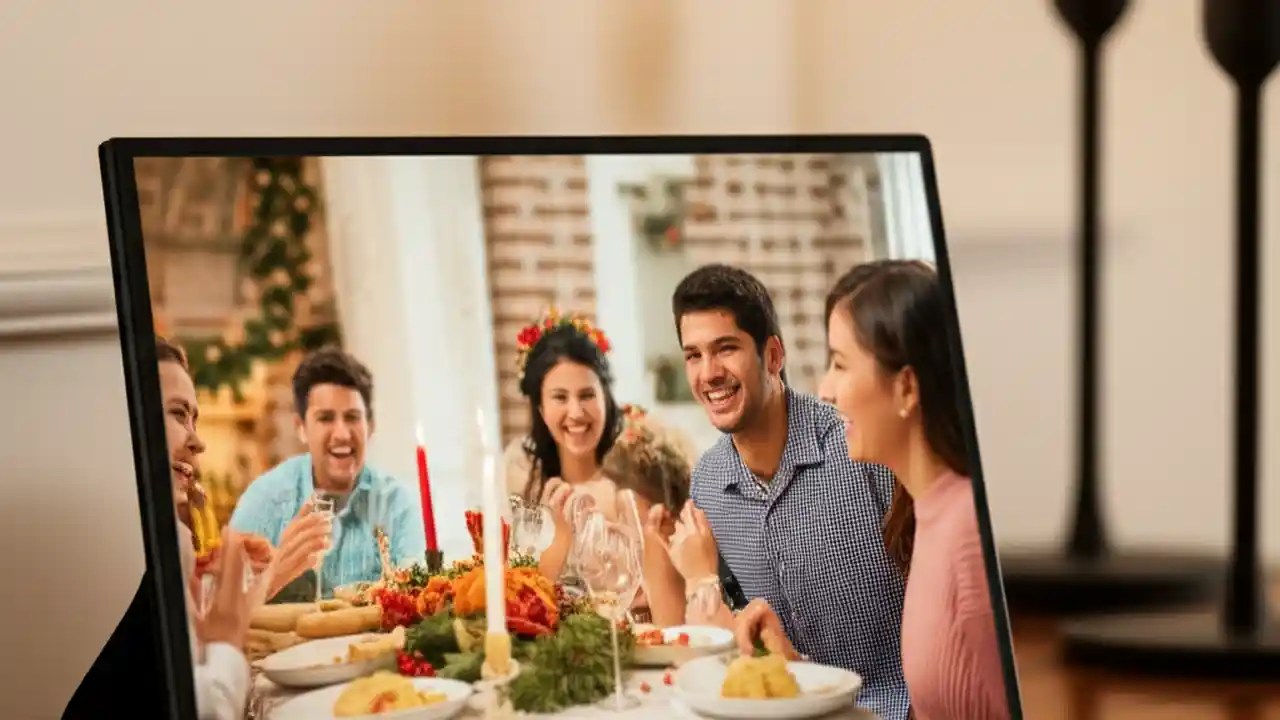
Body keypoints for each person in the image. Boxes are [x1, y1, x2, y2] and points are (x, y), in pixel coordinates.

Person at [739, 261, 1011, 719]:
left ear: (906, 387)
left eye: (840, 365)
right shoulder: (925, 512)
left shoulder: (969, 535)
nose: (824, 389)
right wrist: (794, 673)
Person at [665, 263, 911, 720]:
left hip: (896, 709)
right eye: (693, 355)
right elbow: (726, 632)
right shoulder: (708, 484)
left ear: (773, 355)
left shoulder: (861, 447)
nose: (709, 373)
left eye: (726, 349)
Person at [66, 337, 328, 719]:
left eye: (195, 419)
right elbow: (206, 707)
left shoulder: (149, 534)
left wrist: (262, 581)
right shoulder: (143, 542)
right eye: (178, 414)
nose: (197, 441)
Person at [230, 347, 425, 598]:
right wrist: (279, 569)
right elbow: (225, 609)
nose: (342, 434)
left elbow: (417, 598)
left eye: (353, 417)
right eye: (325, 418)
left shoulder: (397, 504)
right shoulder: (265, 499)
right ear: (301, 428)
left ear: (371, 426)